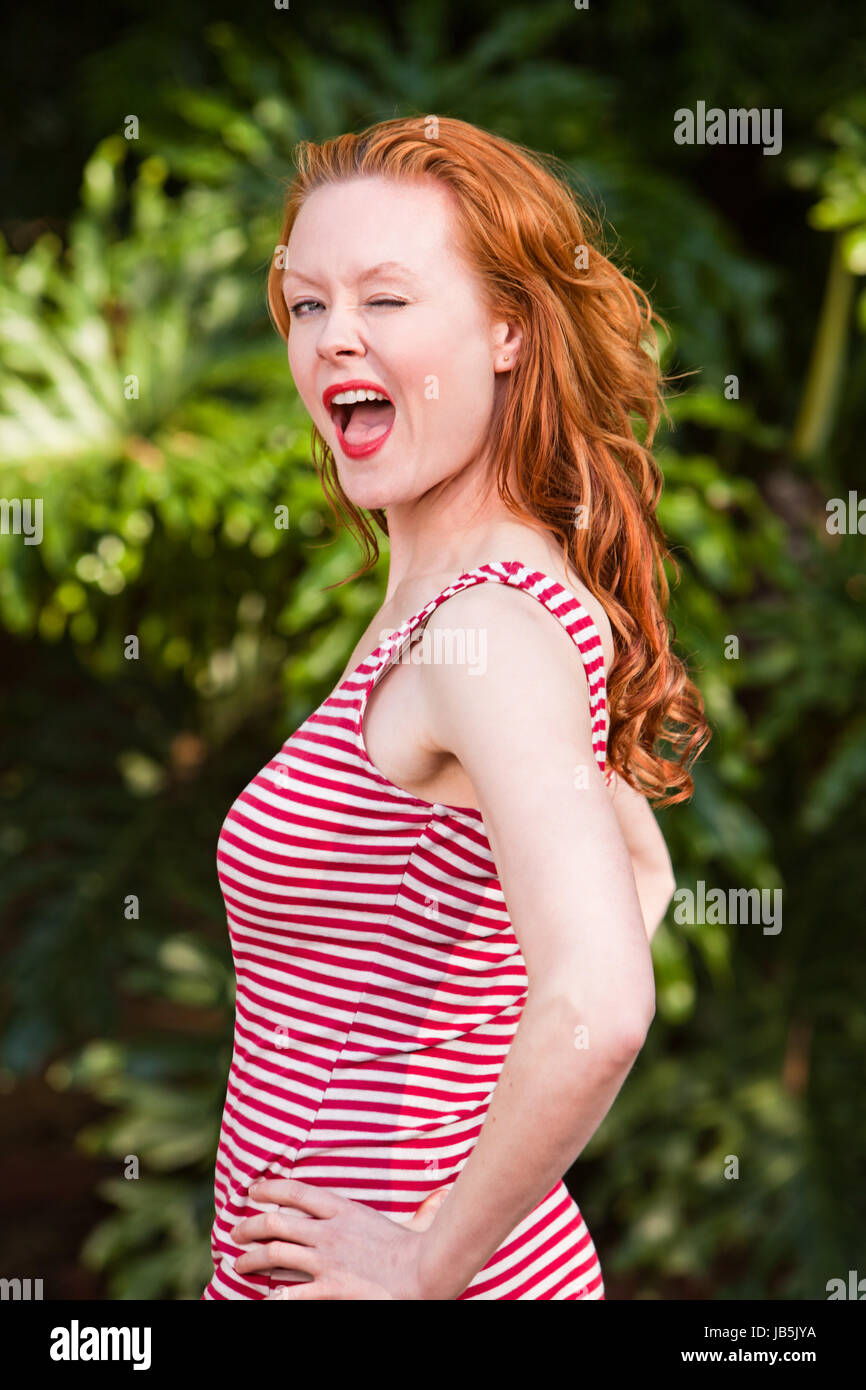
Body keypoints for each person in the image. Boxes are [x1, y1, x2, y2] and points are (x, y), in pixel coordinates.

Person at [201, 115, 709, 1301]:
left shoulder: (487, 632)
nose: (334, 336)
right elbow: (639, 872)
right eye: (308, 303)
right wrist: (448, 1095)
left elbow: (599, 1001)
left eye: (385, 299)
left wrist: (428, 1256)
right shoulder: (466, 601)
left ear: (505, 330)